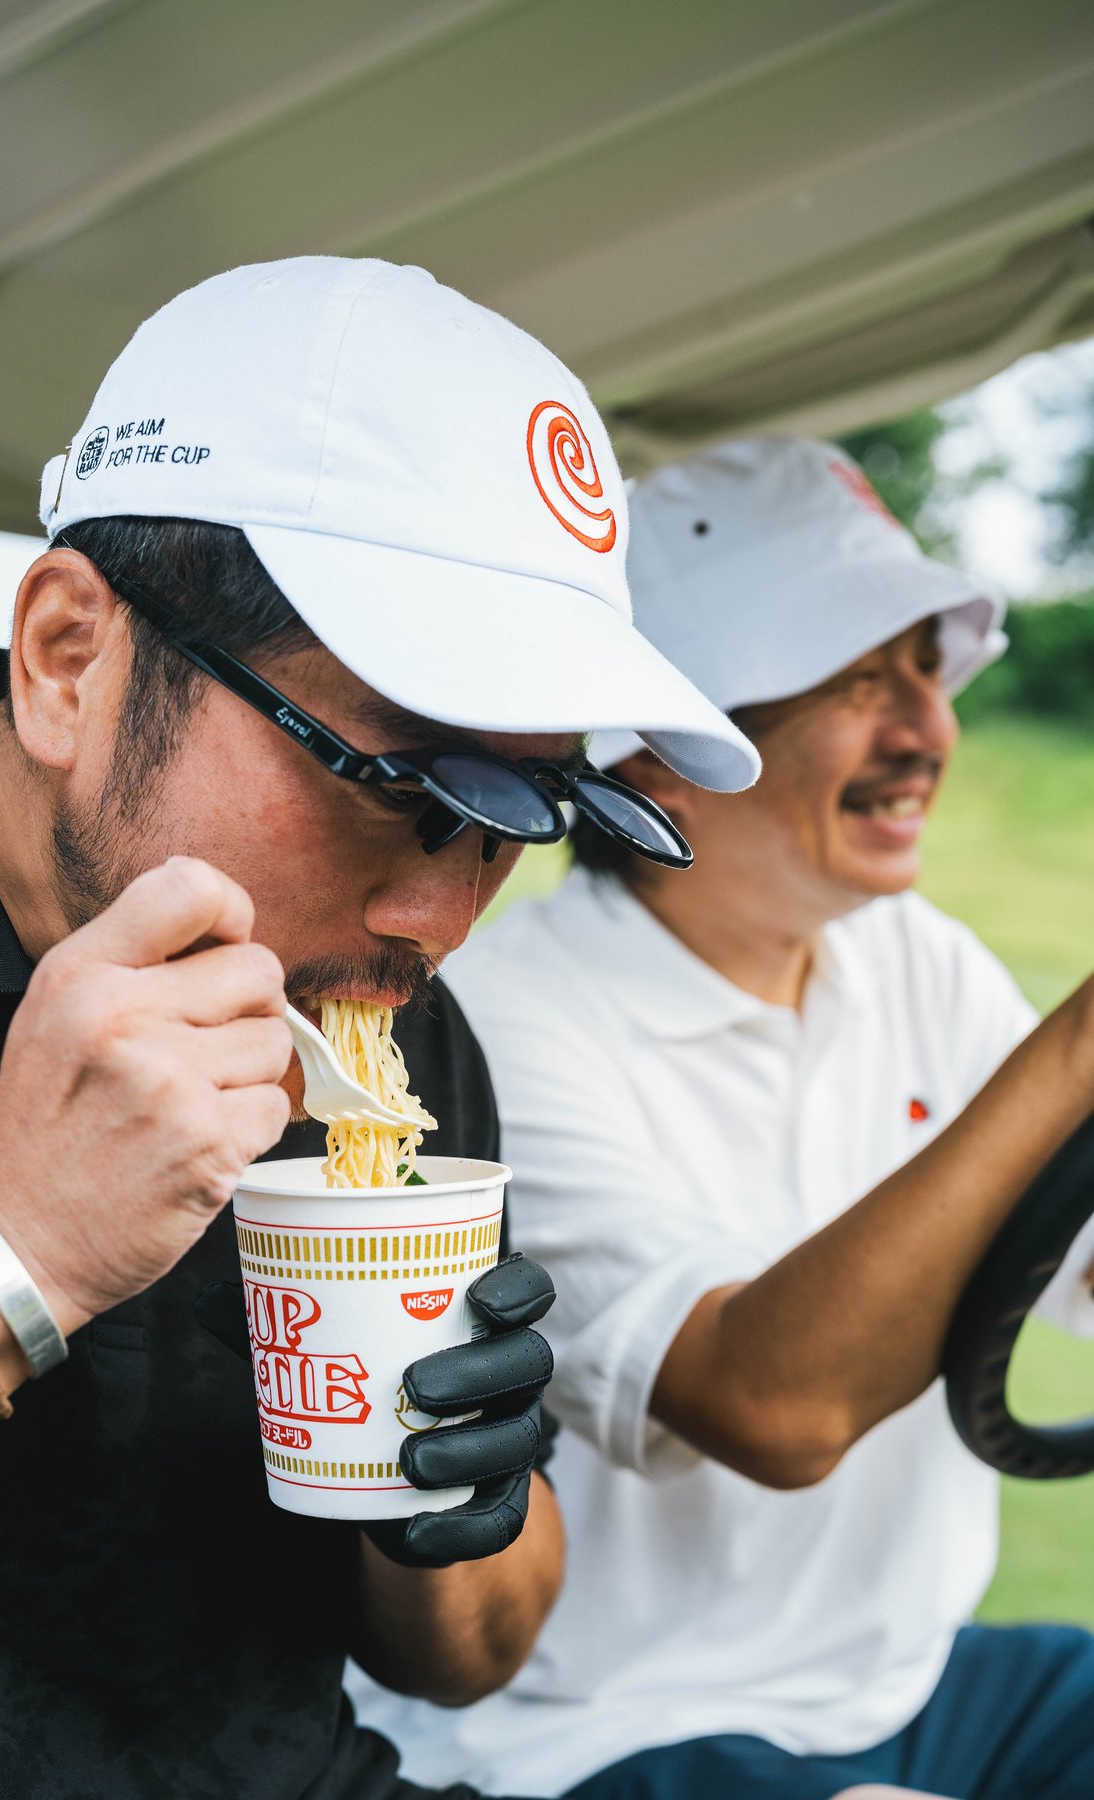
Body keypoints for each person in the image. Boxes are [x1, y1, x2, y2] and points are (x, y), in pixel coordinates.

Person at [0, 259, 761, 1800]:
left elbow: (475, 1652)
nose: (440, 919)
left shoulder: (390, 1024)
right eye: (394, 785)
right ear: (69, 657)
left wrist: (448, 1510)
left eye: (518, 817)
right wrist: (19, 1246)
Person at [348, 437, 1094, 1800]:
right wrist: (1080, 1050)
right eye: (860, 678)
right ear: (661, 763)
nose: (929, 730)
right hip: (607, 1732)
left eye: (926, 670)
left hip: (906, 1681)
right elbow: (768, 1405)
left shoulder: (919, 959)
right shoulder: (501, 1029)